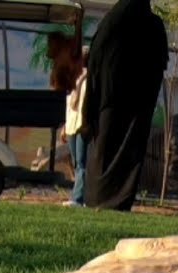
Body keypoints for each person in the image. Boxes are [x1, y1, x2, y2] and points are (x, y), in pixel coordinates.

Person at [84, 0, 168, 211]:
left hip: (108, 100)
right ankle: (118, 200)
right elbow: (158, 66)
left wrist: (95, 95)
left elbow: (95, 60)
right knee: (128, 151)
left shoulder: (111, 23)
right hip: (137, 104)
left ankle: (96, 197)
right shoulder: (153, 26)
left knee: (103, 149)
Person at [61, 47, 89, 207]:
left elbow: (75, 102)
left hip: (81, 125)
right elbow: (69, 105)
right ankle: (79, 196)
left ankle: (78, 198)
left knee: (81, 163)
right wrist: (65, 125)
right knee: (76, 162)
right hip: (71, 124)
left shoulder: (88, 78)